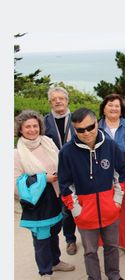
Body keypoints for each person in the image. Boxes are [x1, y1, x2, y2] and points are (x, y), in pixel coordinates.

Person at [58, 108, 125, 280]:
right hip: (85, 214)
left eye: (90, 127)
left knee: (112, 247)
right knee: (90, 251)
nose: (87, 132)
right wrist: (76, 210)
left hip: (110, 210)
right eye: (81, 130)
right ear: (74, 129)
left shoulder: (111, 146)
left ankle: (114, 276)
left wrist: (117, 201)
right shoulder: (66, 152)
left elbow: (122, 174)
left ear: (97, 123)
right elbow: (65, 185)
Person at [15, 110, 75, 279]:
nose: (32, 129)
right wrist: (43, 179)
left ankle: (55, 262)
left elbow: (60, 160)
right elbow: (14, 183)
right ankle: (45, 271)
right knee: (41, 238)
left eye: (35, 126)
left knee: (54, 231)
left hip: (55, 195)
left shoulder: (47, 142)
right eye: (28, 127)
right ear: (20, 129)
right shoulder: (17, 153)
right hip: (37, 202)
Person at [98, 94, 125, 254]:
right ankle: (109, 242)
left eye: (117, 105)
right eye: (110, 105)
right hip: (103, 177)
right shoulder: (96, 127)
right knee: (109, 210)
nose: (114, 108)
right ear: (103, 108)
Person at [43, 86, 77, 255]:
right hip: (57, 171)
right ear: (50, 102)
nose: (58, 101)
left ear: (67, 100)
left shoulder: (77, 118)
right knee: (66, 208)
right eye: (54, 99)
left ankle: (89, 236)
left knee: (83, 203)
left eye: (61, 98)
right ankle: (70, 239)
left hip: (77, 168)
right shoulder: (45, 122)